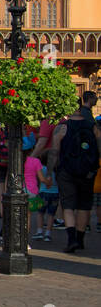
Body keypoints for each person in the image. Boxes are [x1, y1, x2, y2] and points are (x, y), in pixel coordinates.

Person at [47, 91, 101, 253]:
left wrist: (49, 171)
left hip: (66, 170)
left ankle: (71, 239)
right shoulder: (92, 126)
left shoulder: (62, 127)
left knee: (68, 205)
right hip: (87, 171)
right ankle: (80, 238)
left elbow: (54, 152)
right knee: (84, 205)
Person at [34, 150, 60, 242]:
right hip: (55, 193)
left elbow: (38, 180)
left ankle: (39, 231)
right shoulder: (57, 170)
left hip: (43, 192)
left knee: (40, 213)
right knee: (51, 214)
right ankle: (48, 233)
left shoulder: (42, 169)